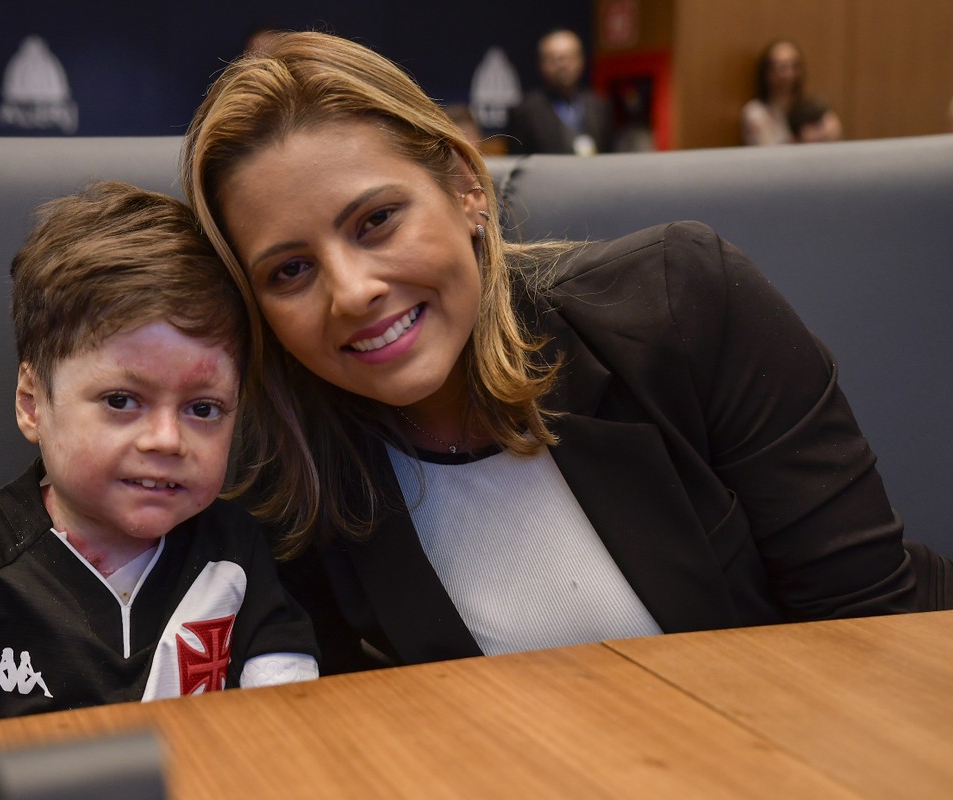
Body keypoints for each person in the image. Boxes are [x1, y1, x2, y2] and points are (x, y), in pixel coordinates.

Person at [180, 31, 948, 674]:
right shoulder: (282, 475)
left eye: (376, 220)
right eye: (290, 271)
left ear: (464, 186)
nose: (350, 293)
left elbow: (870, 632)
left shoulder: (682, 305)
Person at [0, 182, 319, 732]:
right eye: (120, 401)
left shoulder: (235, 551)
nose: (166, 440)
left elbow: (290, 705)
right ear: (32, 405)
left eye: (203, 409)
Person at [506, 28, 614, 155]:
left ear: (581, 61)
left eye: (569, 57)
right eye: (555, 59)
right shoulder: (525, 112)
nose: (563, 65)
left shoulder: (599, 105)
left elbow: (609, 155)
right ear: (542, 64)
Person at [741, 39, 834, 146]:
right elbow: (768, 153)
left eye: (794, 66)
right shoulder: (755, 112)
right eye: (781, 67)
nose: (788, 74)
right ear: (766, 72)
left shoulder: (812, 107)